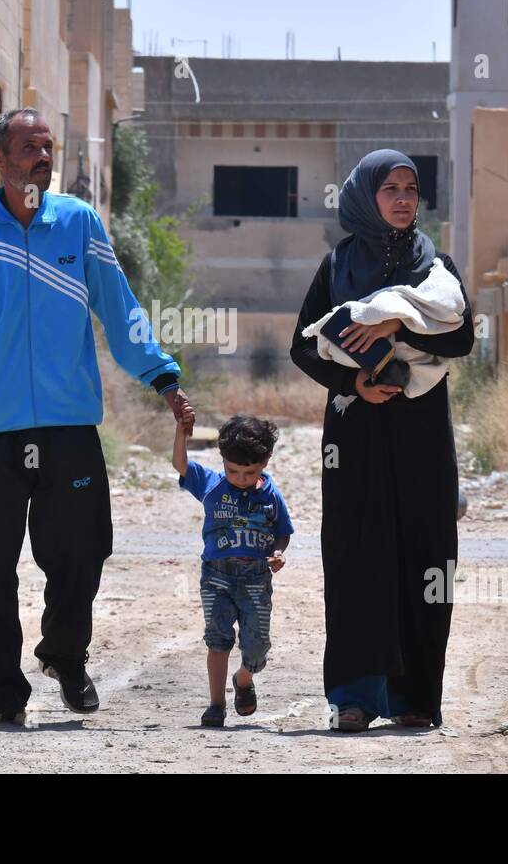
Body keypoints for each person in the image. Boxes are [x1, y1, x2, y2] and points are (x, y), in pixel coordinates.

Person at [0, 108, 193, 725]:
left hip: (68, 429)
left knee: (82, 553)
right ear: (0, 160)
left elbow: (120, 308)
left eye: (48, 147)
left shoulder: (79, 224)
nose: (42, 156)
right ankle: (1, 692)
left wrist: (162, 377)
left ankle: (66, 654)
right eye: (28, 147)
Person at [289, 149, 473, 732]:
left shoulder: (435, 267)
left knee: (426, 554)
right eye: (389, 188)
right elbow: (302, 344)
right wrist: (353, 381)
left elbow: (462, 338)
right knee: (357, 554)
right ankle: (356, 697)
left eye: (411, 190)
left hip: (421, 427)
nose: (402, 199)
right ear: (366, 197)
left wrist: (401, 320)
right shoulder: (338, 265)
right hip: (356, 426)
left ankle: (418, 696)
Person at [171, 414, 293, 728]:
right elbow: (181, 465)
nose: (240, 478)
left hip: (255, 580)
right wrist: (181, 433)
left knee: (257, 647)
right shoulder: (211, 485)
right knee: (217, 640)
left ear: (266, 461)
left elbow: (283, 532)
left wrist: (278, 551)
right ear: (223, 461)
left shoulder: (271, 496)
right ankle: (216, 705)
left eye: (249, 472)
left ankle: (243, 678)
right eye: (233, 470)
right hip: (216, 577)